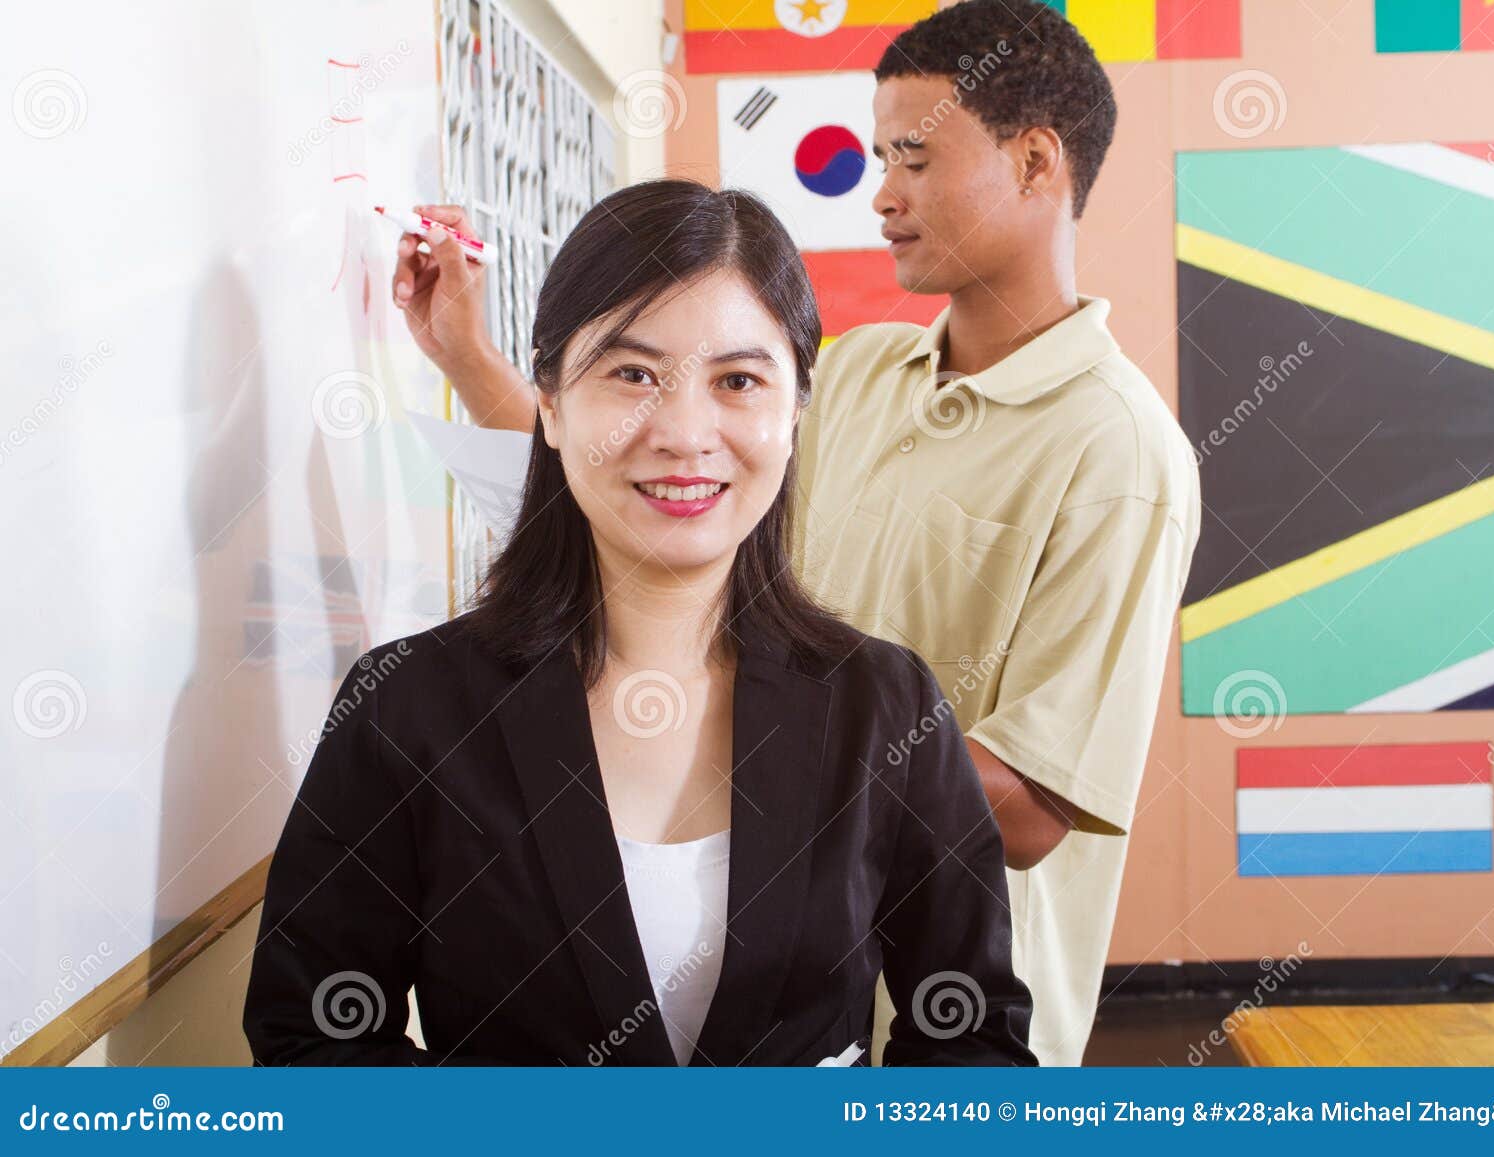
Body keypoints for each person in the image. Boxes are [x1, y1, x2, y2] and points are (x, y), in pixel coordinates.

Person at [389, 1, 1199, 1067]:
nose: (883, 195)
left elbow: (1036, 805)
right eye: (876, 157)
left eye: (913, 157)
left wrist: (723, 739)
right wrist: (469, 361)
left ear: (1037, 161)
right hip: (747, 991)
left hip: (940, 1028)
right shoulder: (859, 371)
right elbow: (659, 484)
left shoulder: (1123, 451)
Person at [242, 180, 1035, 1067]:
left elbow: (974, 1040)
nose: (686, 432)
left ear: (797, 407)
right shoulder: (409, 705)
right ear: (549, 399)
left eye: (738, 380)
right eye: (631, 374)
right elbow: (309, 1032)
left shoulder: (885, 705)